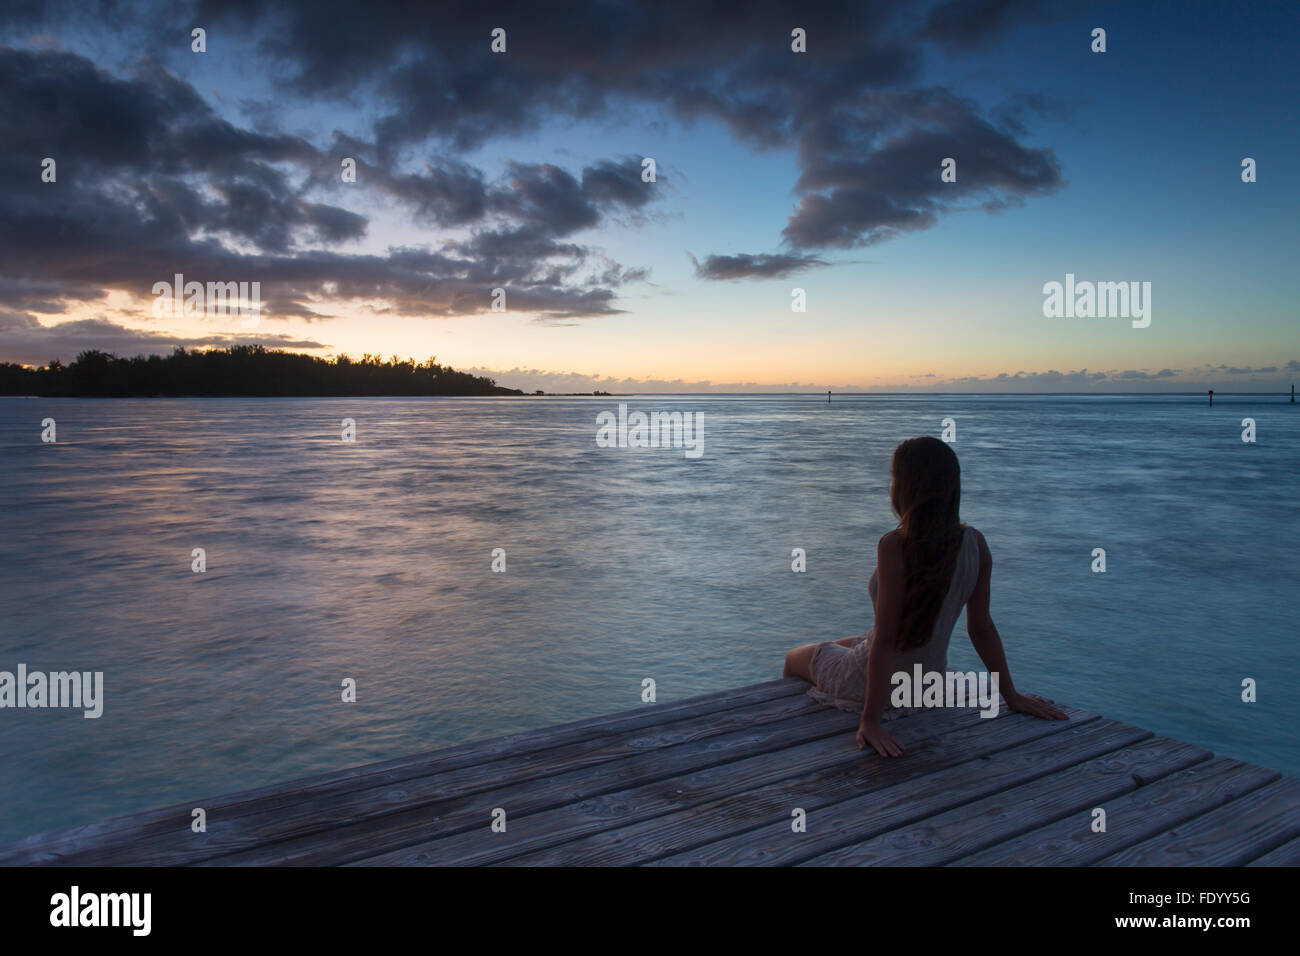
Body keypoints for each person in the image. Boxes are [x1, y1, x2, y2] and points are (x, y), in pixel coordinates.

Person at [783, 436, 1067, 757]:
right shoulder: (976, 544)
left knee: (795, 657)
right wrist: (1011, 694)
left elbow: (887, 640)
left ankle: (782, 735)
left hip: (874, 684)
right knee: (852, 640)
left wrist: (871, 721)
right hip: (925, 685)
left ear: (906, 488)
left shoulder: (894, 546)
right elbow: (982, 627)